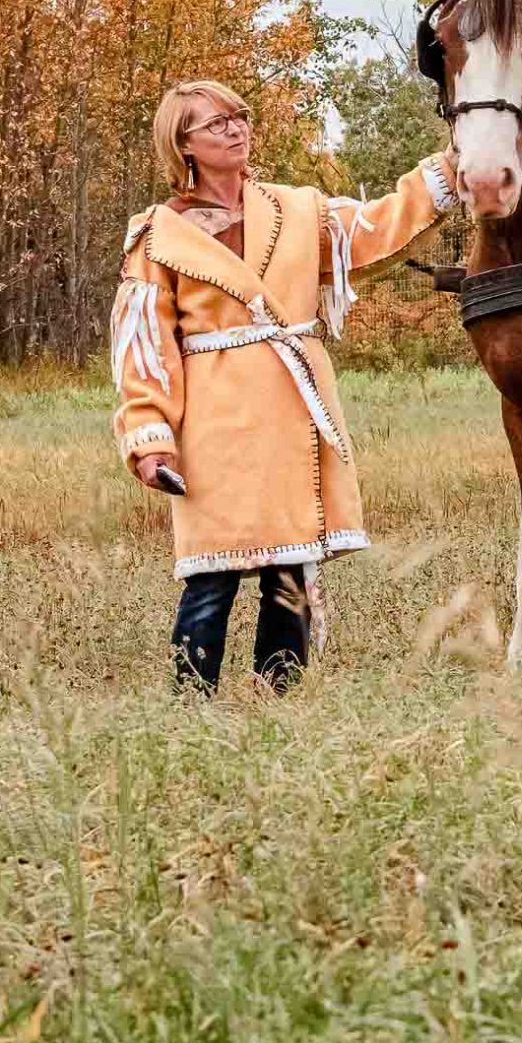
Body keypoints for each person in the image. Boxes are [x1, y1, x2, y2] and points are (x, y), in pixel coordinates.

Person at [111, 79, 456, 693]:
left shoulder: (297, 209)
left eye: (240, 116)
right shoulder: (160, 234)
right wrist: (150, 438)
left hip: (292, 413)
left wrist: (440, 179)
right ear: (182, 143)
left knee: (290, 568)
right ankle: (191, 707)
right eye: (217, 124)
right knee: (210, 575)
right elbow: (146, 344)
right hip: (213, 421)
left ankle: (279, 699)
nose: (236, 128)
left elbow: (368, 233)